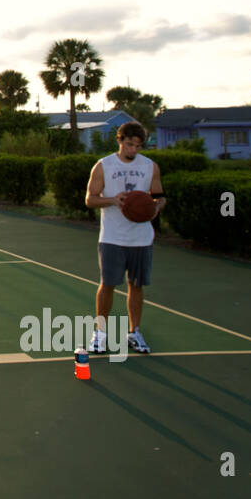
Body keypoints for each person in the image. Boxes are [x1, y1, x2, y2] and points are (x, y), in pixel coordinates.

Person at [83, 122, 166, 354]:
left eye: (138, 146)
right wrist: (113, 200)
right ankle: (99, 333)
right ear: (120, 141)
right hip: (112, 236)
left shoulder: (150, 167)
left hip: (141, 237)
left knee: (137, 285)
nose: (133, 149)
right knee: (108, 284)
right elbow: (89, 200)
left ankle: (134, 332)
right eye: (129, 144)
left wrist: (155, 207)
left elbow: (159, 196)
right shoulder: (103, 166)